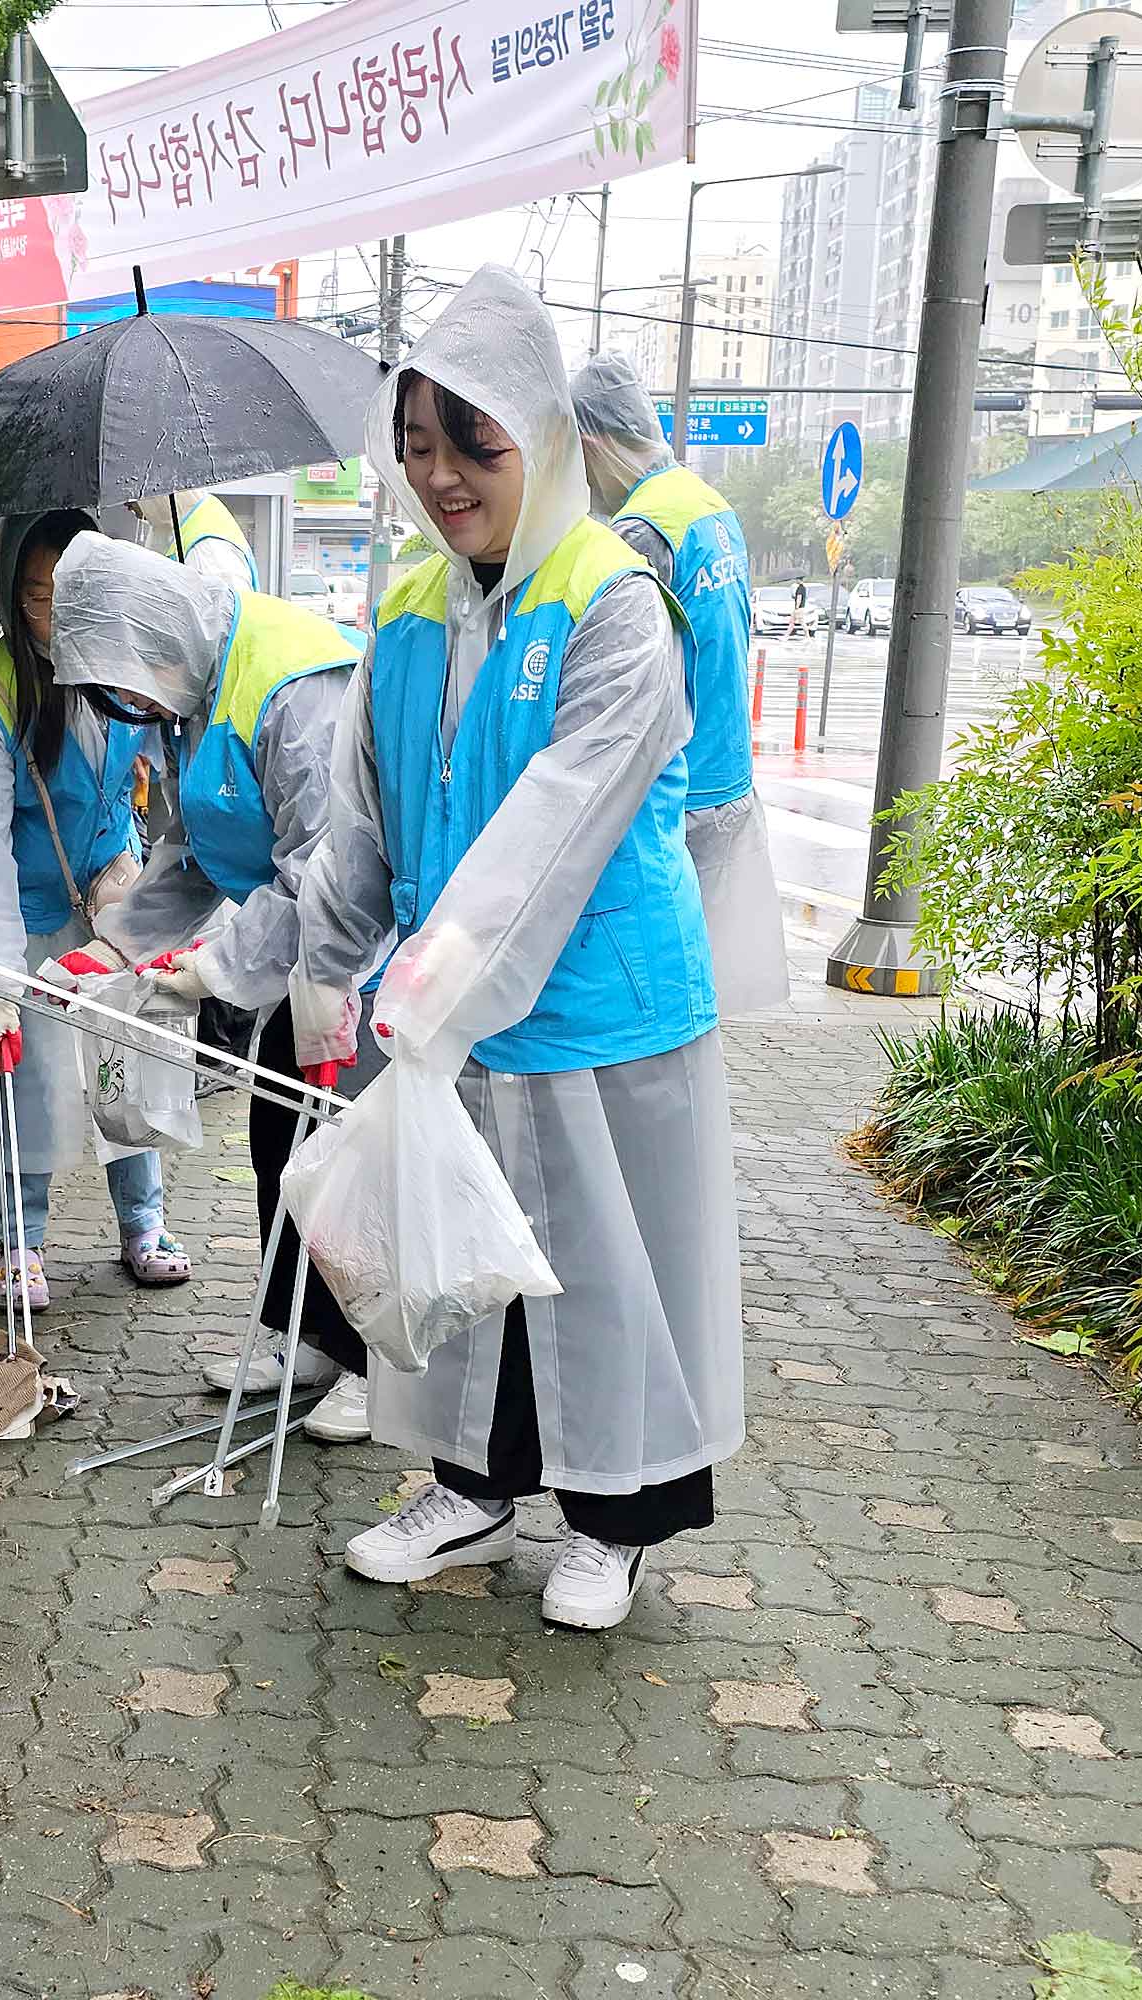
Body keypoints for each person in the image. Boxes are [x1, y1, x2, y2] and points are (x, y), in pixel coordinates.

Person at [289, 270, 741, 1631]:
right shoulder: (413, 611)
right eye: (417, 446)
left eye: (470, 444)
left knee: (608, 1269)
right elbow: (364, 810)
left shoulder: (615, 602)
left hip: (600, 999)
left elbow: (566, 818)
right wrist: (317, 962)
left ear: (541, 439)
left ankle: (618, 1522)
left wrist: (428, 984)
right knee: (466, 1259)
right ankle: (472, 1488)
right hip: (457, 1010)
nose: (441, 478)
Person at [42, 534, 376, 1442]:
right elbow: (194, 855)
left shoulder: (295, 687)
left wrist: (217, 969)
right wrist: (113, 946)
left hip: (358, 964)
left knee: (350, 1163)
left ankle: (378, 1364)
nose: (136, 707)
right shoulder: (196, 694)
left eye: (131, 685)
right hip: (293, 966)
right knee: (281, 1144)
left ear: (155, 636)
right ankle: (300, 1333)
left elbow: (327, 873)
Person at [0, 509, 190, 1312]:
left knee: (132, 1059)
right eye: (37, 596)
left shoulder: (126, 669)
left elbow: (180, 787)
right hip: (27, 913)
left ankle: (143, 1224)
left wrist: (142, 884)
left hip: (114, 899)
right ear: (13, 598)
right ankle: (20, 1239)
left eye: (69, 593)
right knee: (29, 1076)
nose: (53, 615)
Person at [572, 353, 791, 1016]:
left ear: (591, 443)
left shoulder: (643, 530)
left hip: (676, 792)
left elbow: (615, 675)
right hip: (726, 775)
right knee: (701, 982)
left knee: (650, 992)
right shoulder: (707, 505)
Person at [127, 488, 260, 591]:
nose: (127, 504)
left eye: (130, 493)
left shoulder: (208, 549)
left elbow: (221, 619)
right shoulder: (173, 523)